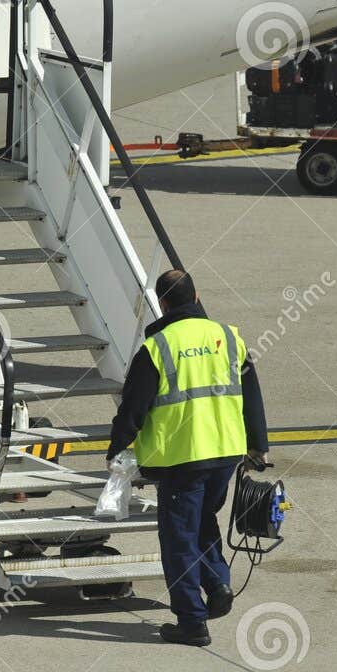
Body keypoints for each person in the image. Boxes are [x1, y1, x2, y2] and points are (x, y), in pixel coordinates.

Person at [107, 269, 270, 646]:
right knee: (202, 521)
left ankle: (192, 621)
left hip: (182, 459)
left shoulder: (157, 347)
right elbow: (252, 395)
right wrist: (258, 445)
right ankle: (218, 582)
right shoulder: (229, 338)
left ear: (162, 304)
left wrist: (117, 448)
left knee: (179, 537)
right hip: (226, 453)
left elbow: (133, 408)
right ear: (196, 297)